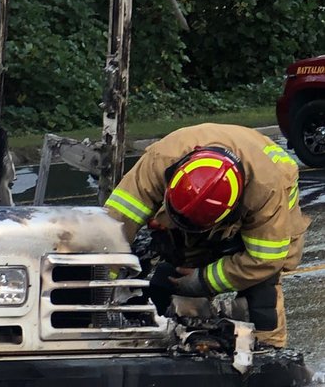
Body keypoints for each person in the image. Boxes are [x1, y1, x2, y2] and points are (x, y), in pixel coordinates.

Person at [103, 123, 308, 349]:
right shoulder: (161, 159)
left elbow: (265, 260)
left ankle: (269, 355)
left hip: (271, 201)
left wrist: (203, 280)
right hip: (220, 188)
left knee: (262, 290)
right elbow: (114, 226)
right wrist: (102, 285)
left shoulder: (267, 189)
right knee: (178, 261)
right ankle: (183, 334)